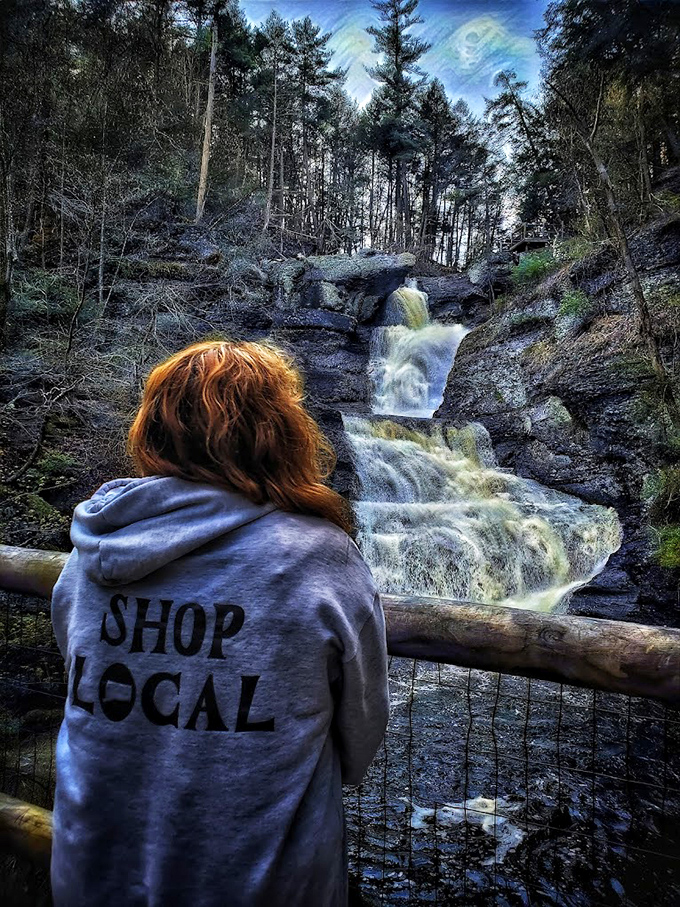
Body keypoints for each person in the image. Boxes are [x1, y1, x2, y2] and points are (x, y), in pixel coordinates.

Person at [50, 339, 390, 907]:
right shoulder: (315, 556)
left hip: (92, 871)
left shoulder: (92, 551)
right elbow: (360, 736)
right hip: (257, 881)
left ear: (152, 430)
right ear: (279, 433)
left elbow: (83, 674)